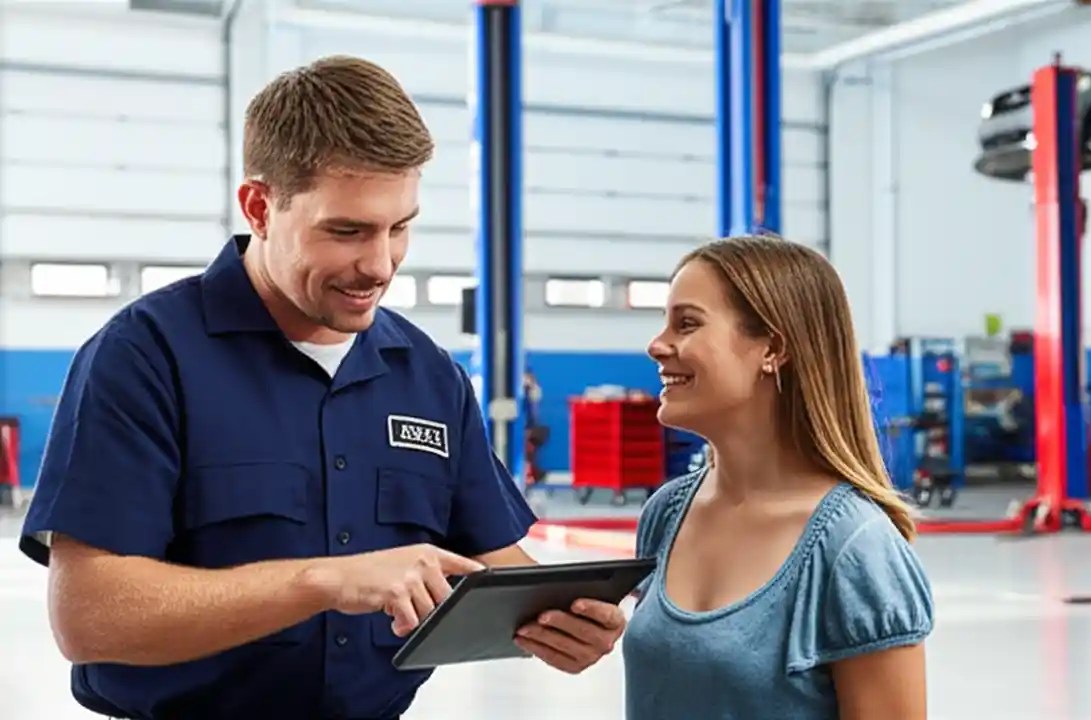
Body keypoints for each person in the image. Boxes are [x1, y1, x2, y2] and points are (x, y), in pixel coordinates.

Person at [17, 55, 625, 720]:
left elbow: (492, 559)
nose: (380, 264)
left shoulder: (426, 375)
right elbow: (91, 616)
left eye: (400, 227)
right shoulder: (143, 357)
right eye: (347, 231)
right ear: (260, 206)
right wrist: (323, 582)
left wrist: (567, 615)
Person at [623, 235, 934, 719]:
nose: (657, 345)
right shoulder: (666, 514)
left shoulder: (854, 548)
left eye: (686, 324)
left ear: (772, 348)